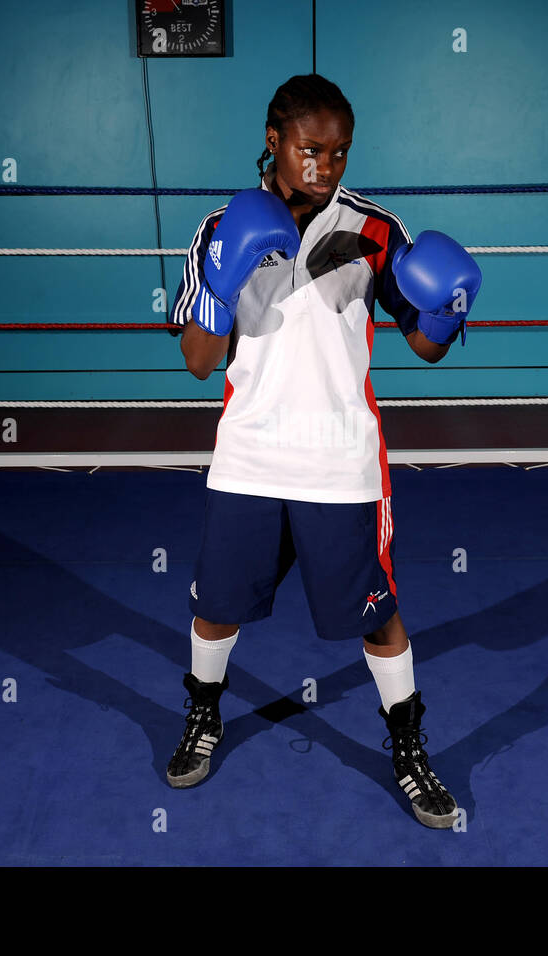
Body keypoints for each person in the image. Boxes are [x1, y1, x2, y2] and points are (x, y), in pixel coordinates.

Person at [166, 74, 481, 829]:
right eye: (312, 150)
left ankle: (408, 748)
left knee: (379, 615)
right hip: (248, 456)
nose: (326, 167)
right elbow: (199, 361)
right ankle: (202, 716)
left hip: (341, 461)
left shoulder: (374, 229)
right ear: (274, 141)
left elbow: (423, 346)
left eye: (339, 153)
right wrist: (221, 282)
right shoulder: (219, 228)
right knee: (216, 607)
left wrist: (447, 310)